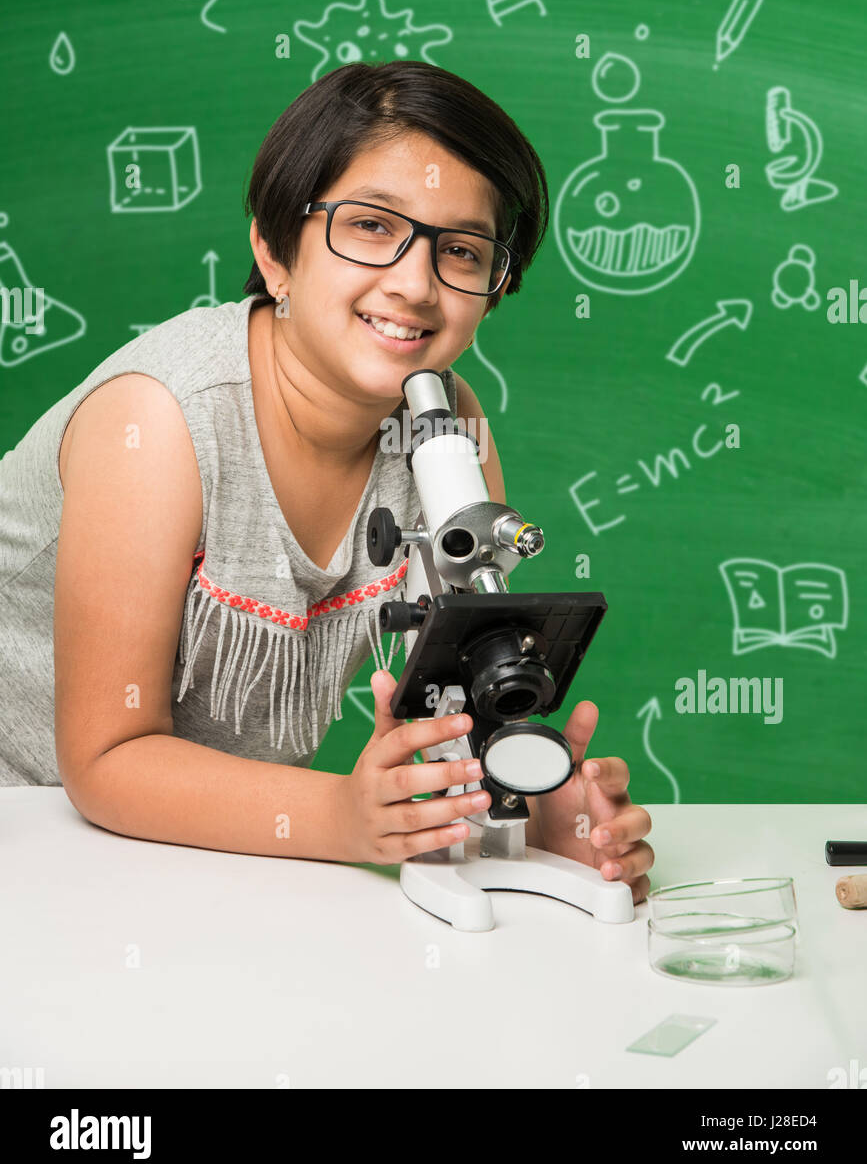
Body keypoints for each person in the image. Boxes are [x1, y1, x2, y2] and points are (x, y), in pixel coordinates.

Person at [0, 59, 652, 896]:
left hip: (193, 859)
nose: (414, 284)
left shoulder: (447, 432)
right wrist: (340, 817)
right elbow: (106, 760)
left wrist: (527, 809)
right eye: (373, 226)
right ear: (275, 251)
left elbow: (449, 708)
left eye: (460, 250)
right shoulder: (157, 422)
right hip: (35, 831)